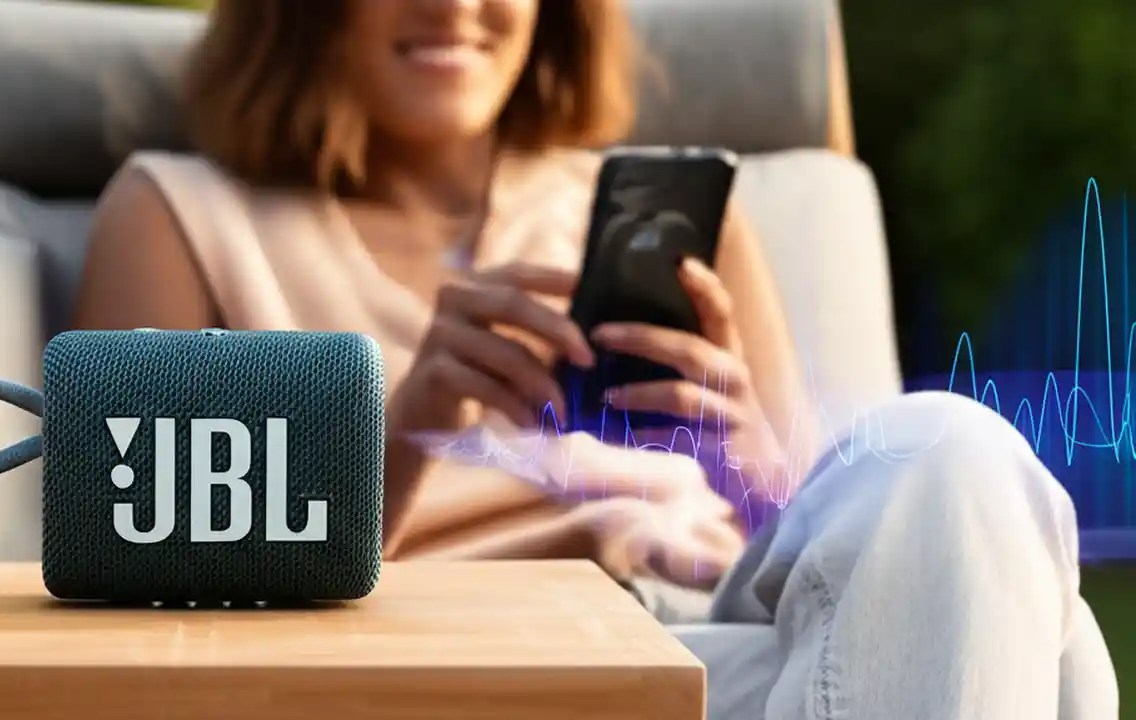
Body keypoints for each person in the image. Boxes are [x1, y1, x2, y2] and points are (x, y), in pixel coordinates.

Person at [73, 1, 1119, 717]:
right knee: (1050, 655)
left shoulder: (668, 214)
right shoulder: (182, 213)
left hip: (715, 644)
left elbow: (844, 558)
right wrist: (397, 431)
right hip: (453, 668)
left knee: (950, 449)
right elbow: (135, 558)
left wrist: (749, 454)